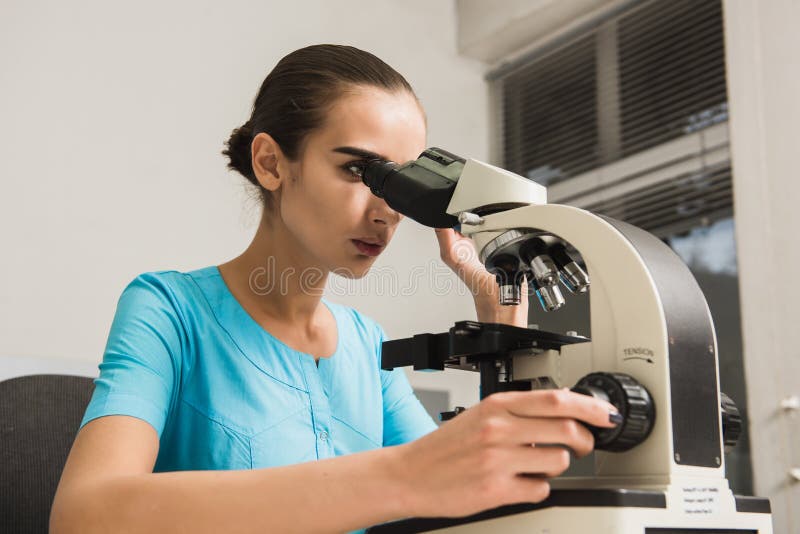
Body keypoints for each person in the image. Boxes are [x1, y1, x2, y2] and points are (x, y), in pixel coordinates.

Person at [50, 44, 619, 534]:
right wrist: (401, 476)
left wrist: (503, 318)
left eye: (402, 182)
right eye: (358, 172)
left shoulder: (364, 347)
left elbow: (476, 503)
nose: (388, 211)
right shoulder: (169, 311)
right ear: (272, 163)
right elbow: (85, 517)